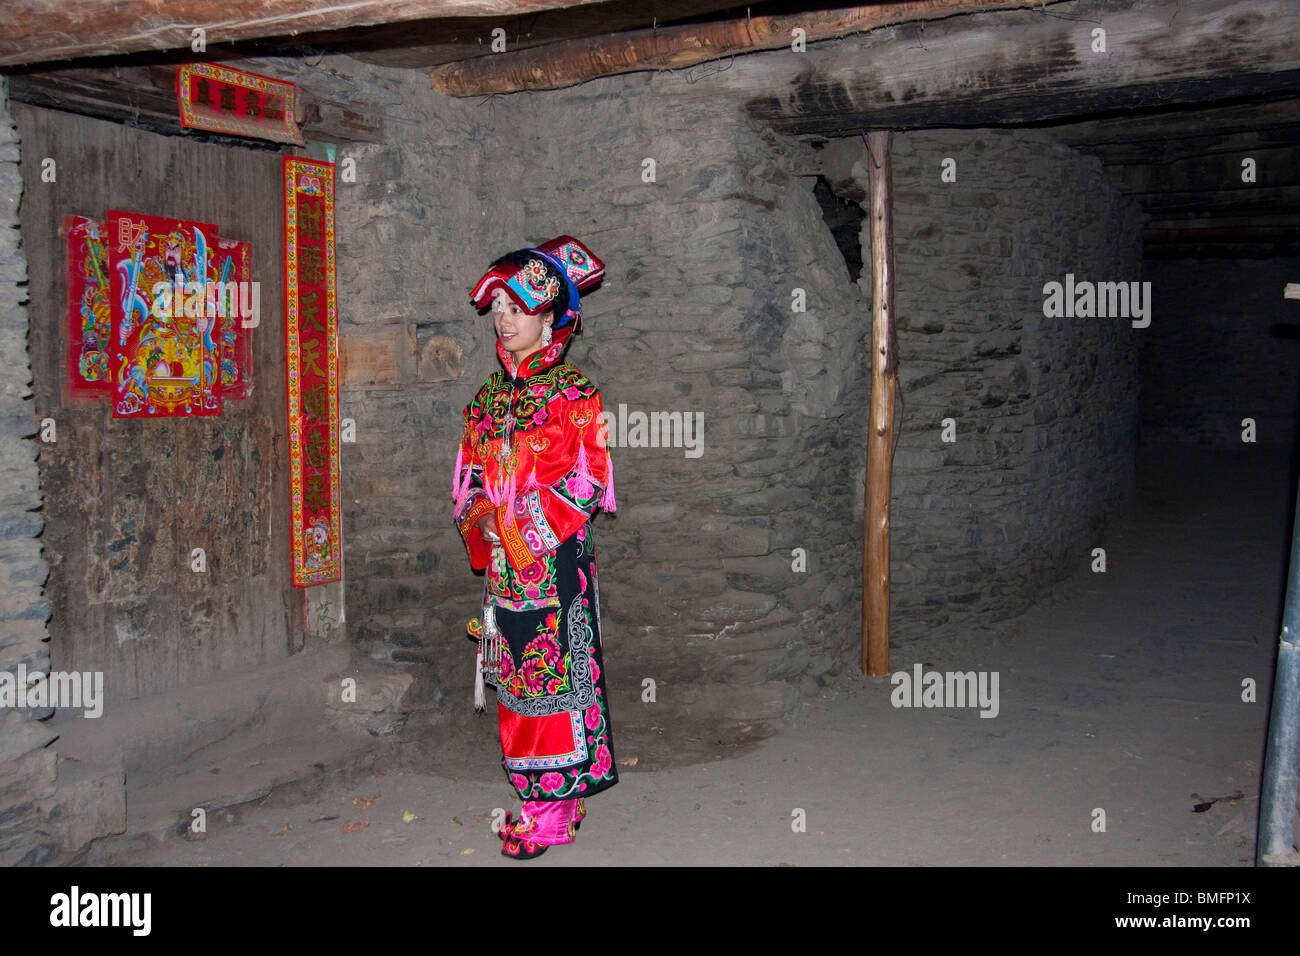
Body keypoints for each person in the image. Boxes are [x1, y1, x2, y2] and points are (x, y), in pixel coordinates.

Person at [452, 236, 619, 859]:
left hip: (554, 562)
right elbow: (467, 477)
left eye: (518, 309)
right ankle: (547, 798)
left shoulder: (575, 396)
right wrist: (484, 519)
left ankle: (548, 808)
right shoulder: (487, 400)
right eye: (499, 308)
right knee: (518, 686)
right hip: (504, 566)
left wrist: (523, 534)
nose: (504, 319)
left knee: (554, 683)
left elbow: (589, 482)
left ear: (550, 320)